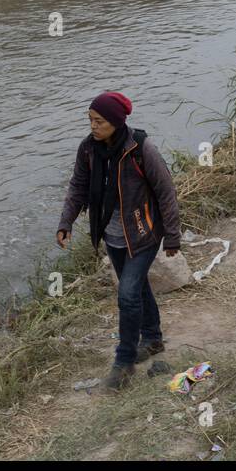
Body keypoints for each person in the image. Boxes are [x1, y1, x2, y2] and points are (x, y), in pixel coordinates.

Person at [56, 91, 182, 391]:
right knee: (138, 287)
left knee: (127, 295)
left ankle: (123, 364)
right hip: (111, 236)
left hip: (143, 234)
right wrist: (66, 222)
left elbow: (166, 192)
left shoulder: (141, 149)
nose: (93, 127)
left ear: (115, 121)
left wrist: (173, 237)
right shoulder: (88, 150)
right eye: (90, 120)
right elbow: (78, 186)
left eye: (99, 121)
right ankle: (152, 338)